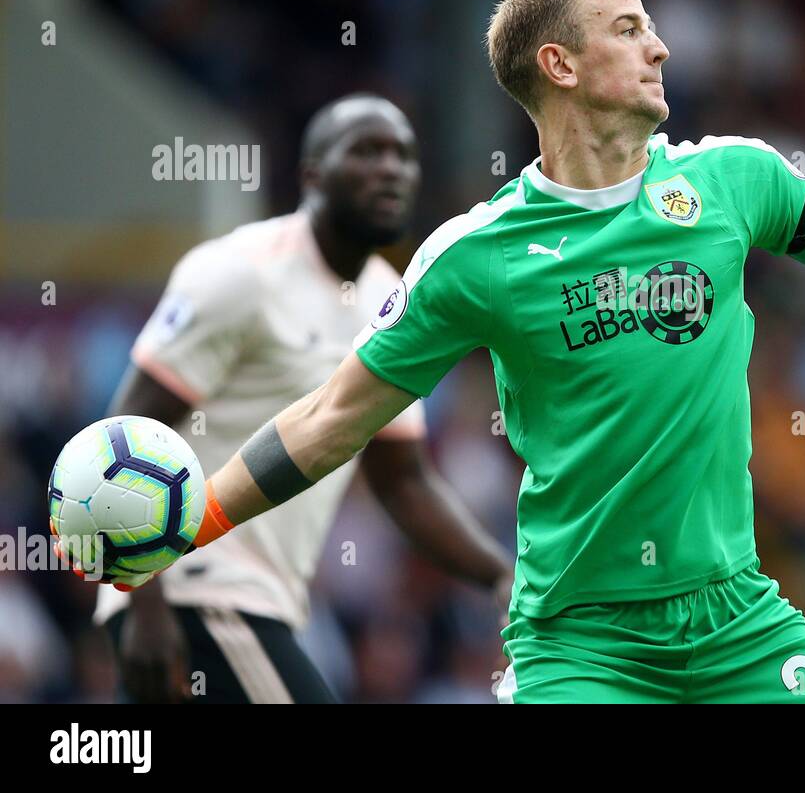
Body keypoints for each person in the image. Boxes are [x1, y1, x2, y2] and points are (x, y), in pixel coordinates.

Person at [110, 0, 805, 703]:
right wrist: (188, 524)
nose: (658, 44)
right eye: (627, 27)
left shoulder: (731, 178)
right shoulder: (475, 256)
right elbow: (334, 417)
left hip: (737, 618)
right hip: (580, 648)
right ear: (557, 63)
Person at [95, 94, 513, 703]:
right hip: (194, 588)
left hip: (264, 603)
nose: (391, 168)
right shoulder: (240, 273)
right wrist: (143, 600)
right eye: (367, 151)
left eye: (403, 154)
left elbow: (404, 482)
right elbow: (124, 437)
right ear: (313, 173)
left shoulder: (389, 299)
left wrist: (499, 574)